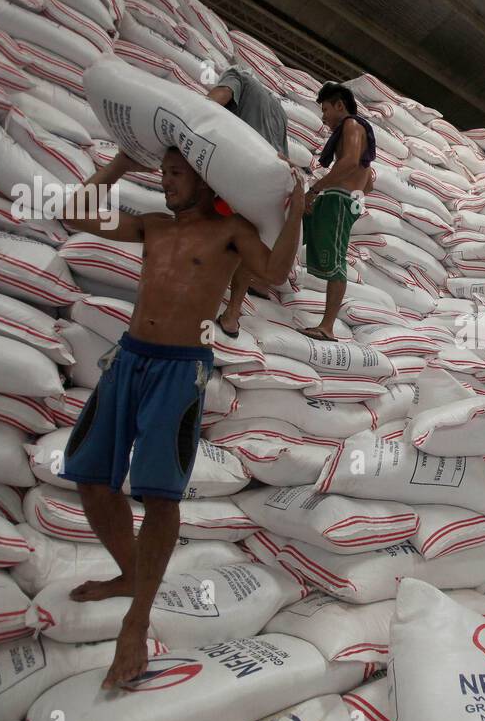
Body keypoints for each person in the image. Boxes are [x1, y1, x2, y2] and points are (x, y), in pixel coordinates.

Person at [53, 147, 304, 688]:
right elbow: (75, 212)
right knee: (92, 479)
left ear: (206, 181)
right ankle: (129, 573)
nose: (166, 182)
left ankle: (136, 620)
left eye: (176, 173)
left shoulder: (230, 231)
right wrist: (123, 161)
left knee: (160, 495)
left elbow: (278, 271)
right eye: (162, 172)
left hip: (180, 370)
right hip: (128, 359)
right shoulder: (152, 226)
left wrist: (298, 207)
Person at [205, 66, 290, 338]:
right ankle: (232, 314)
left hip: (244, 167)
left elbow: (215, 100)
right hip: (273, 179)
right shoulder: (278, 109)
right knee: (247, 241)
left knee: (209, 224)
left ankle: (203, 297)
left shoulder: (237, 76)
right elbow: (283, 151)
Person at [299, 81, 376, 341]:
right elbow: (370, 184)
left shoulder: (352, 125)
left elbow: (351, 161)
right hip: (343, 198)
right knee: (300, 225)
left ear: (339, 105)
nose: (323, 117)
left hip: (338, 199)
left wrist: (316, 189)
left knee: (337, 260)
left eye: (325, 110)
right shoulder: (358, 134)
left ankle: (327, 326)